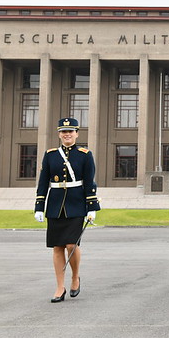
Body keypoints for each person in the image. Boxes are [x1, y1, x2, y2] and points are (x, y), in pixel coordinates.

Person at [34, 118, 99, 303]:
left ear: (77, 133)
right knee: (57, 247)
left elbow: (89, 181)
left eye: (70, 131)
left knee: (71, 244)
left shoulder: (85, 154)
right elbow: (43, 182)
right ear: (59, 134)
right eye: (63, 132)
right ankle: (59, 287)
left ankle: (75, 276)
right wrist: (39, 206)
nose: (67, 135)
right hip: (55, 205)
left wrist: (92, 207)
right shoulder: (50, 154)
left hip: (76, 203)